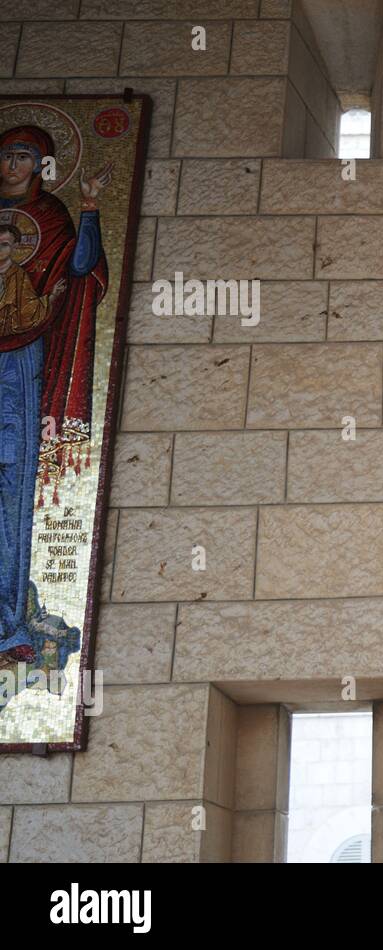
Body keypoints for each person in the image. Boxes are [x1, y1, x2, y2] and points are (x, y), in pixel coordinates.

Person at [0, 124, 110, 661]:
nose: (12, 166)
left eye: (24, 157)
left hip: (21, 359)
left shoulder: (50, 218)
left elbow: (82, 267)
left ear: (42, 165)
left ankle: (9, 619)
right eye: (6, 156)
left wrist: (89, 207)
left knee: (13, 480)